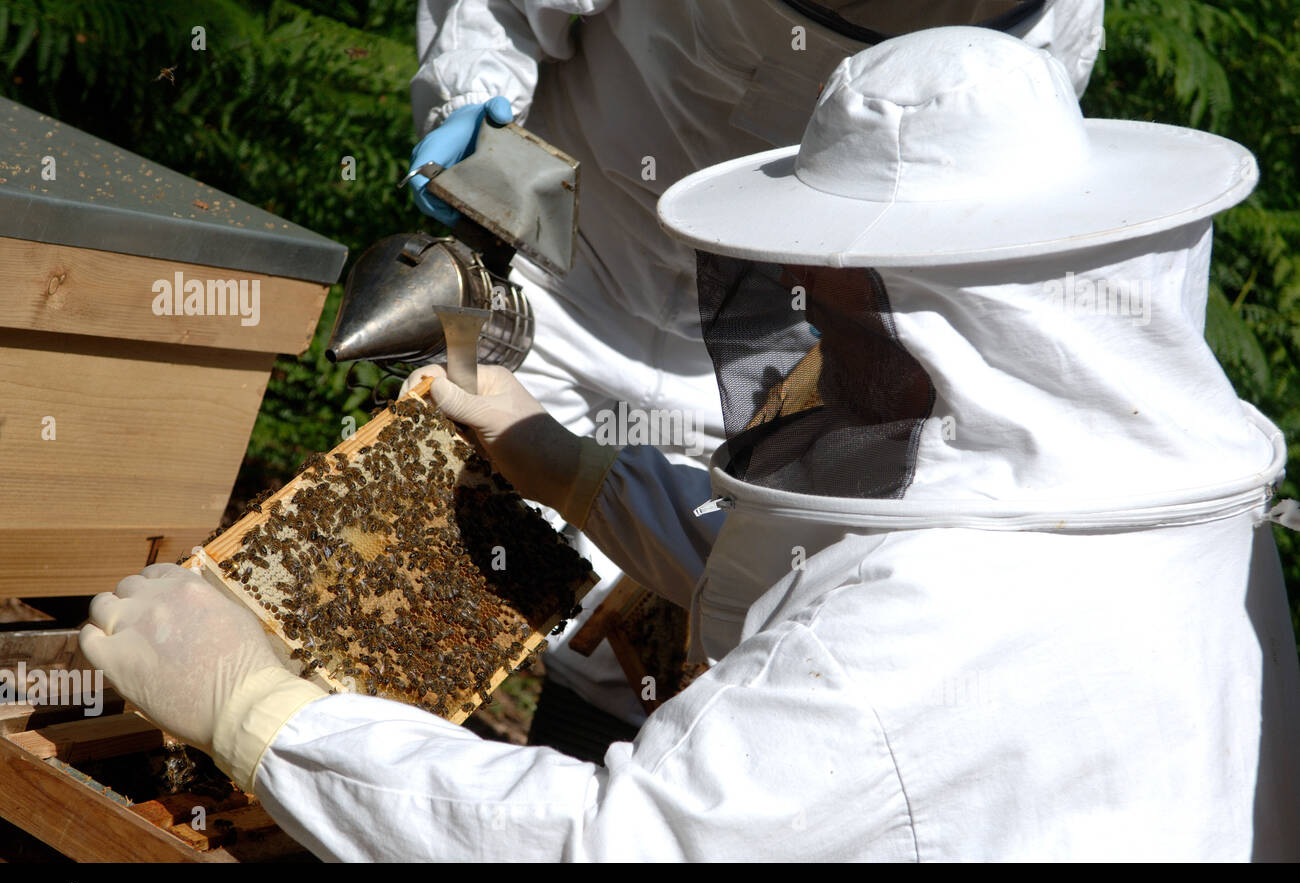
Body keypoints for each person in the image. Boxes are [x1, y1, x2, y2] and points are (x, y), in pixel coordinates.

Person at [84, 27, 1300, 861]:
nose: (805, 314)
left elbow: (611, 848)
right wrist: (569, 461)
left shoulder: (924, 631)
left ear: (936, 314)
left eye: (832, 297)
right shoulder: (1141, 496)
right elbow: (835, 574)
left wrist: (260, 710)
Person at [405, 0, 1107, 733]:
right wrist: (470, 94)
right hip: (559, 281)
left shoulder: (1054, 25)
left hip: (756, 358)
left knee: (649, 661)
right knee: (432, 558)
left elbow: (996, 184)